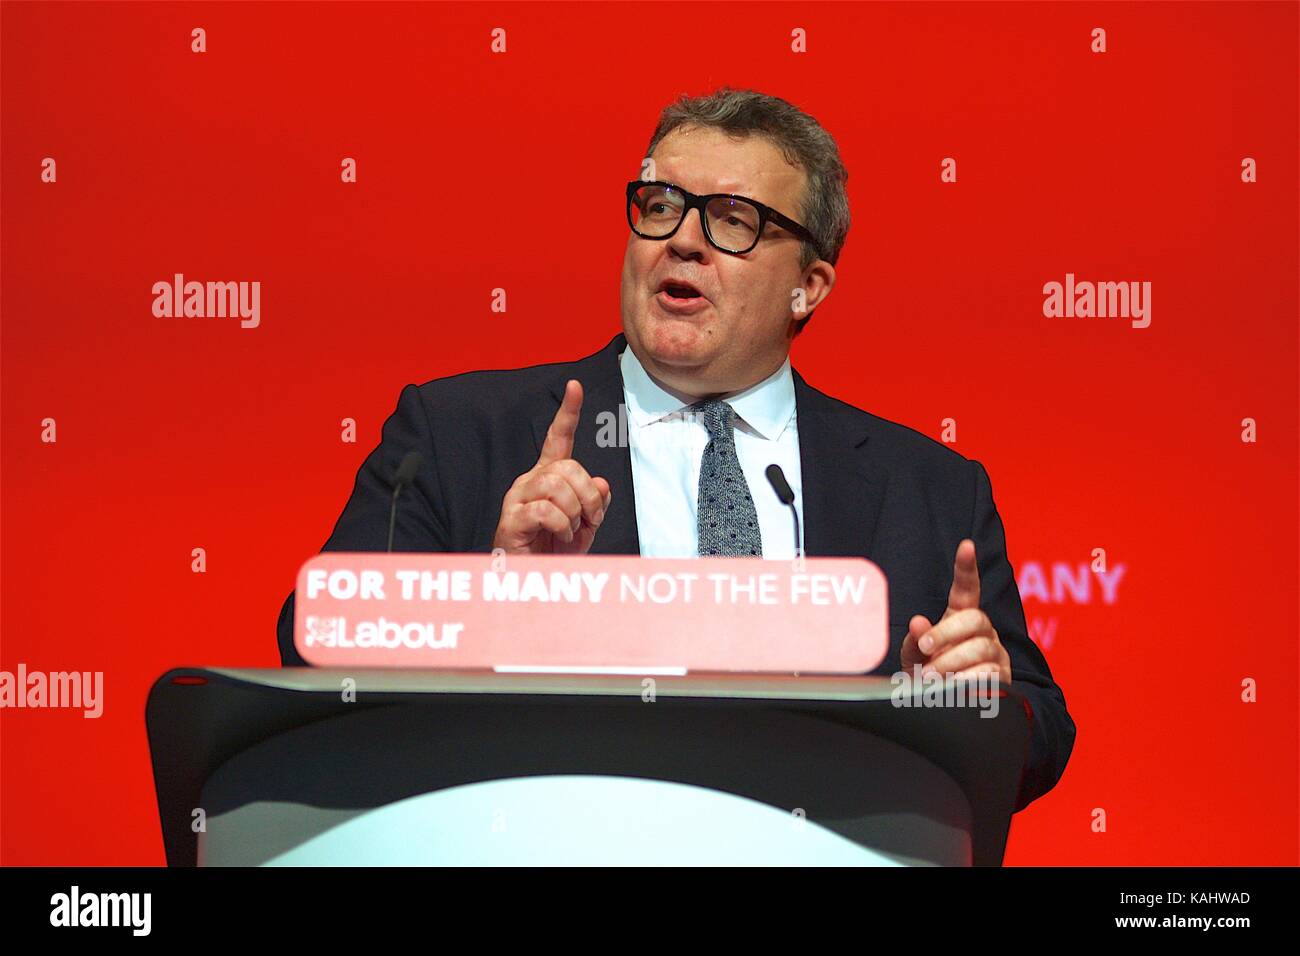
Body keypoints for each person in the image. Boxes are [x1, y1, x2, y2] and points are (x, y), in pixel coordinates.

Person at [276, 87, 1075, 811]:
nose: (683, 241)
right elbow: (316, 651)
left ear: (811, 285)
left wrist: (976, 703)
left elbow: (1039, 732)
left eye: (732, 220)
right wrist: (496, 599)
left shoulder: (928, 488)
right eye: (661, 206)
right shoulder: (459, 434)